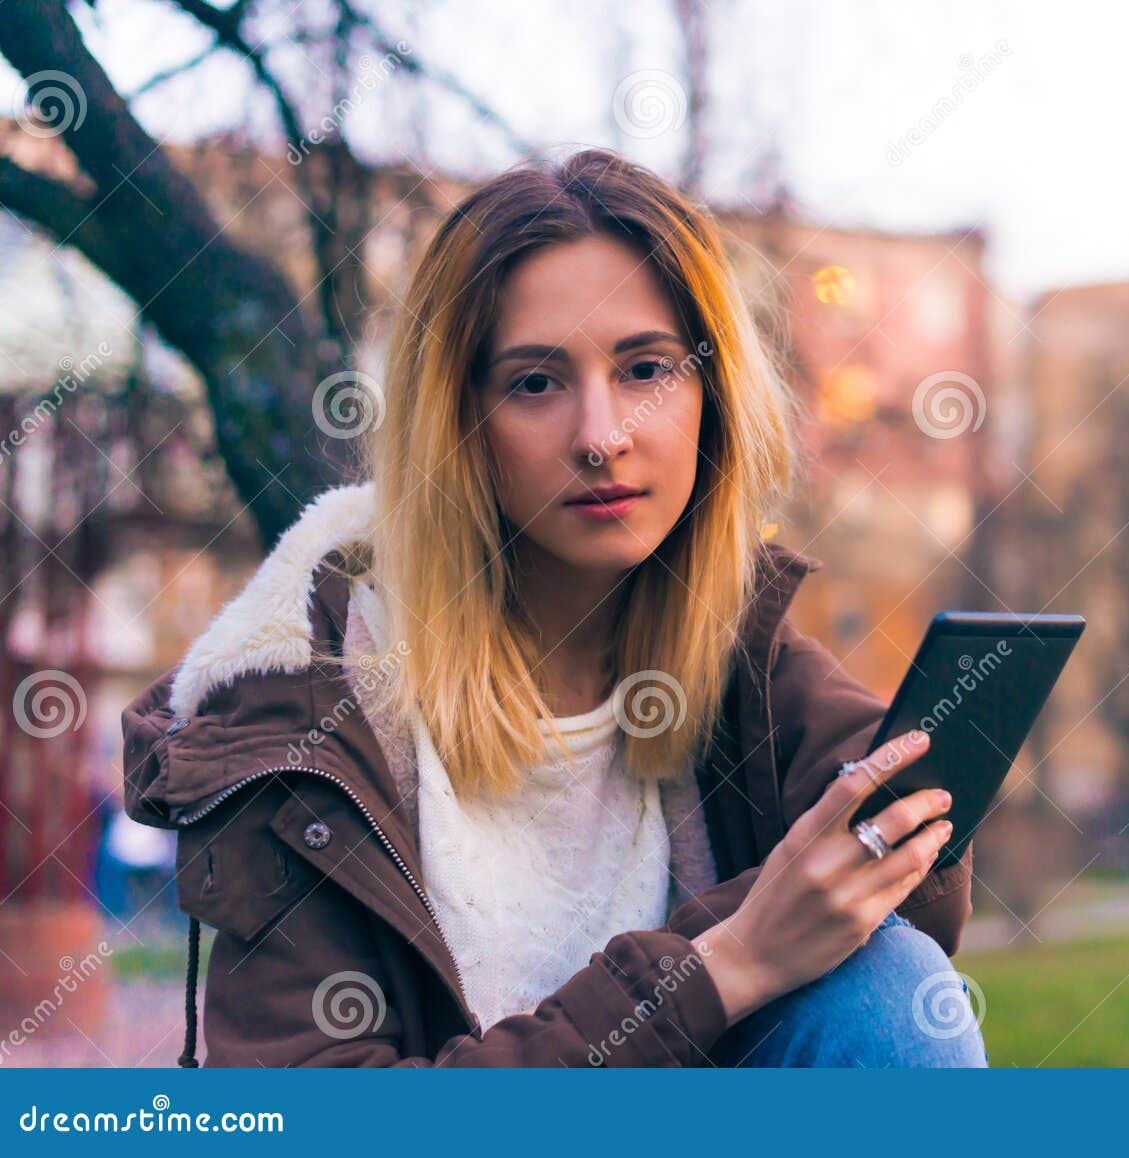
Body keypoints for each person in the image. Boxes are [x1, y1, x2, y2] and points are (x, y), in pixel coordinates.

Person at [121, 147, 984, 1068]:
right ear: (458, 424)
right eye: (535, 382)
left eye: (648, 368)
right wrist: (723, 963)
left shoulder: (735, 645)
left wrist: (884, 837)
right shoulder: (306, 704)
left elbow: (914, 891)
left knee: (889, 985)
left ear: (713, 399)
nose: (600, 438)